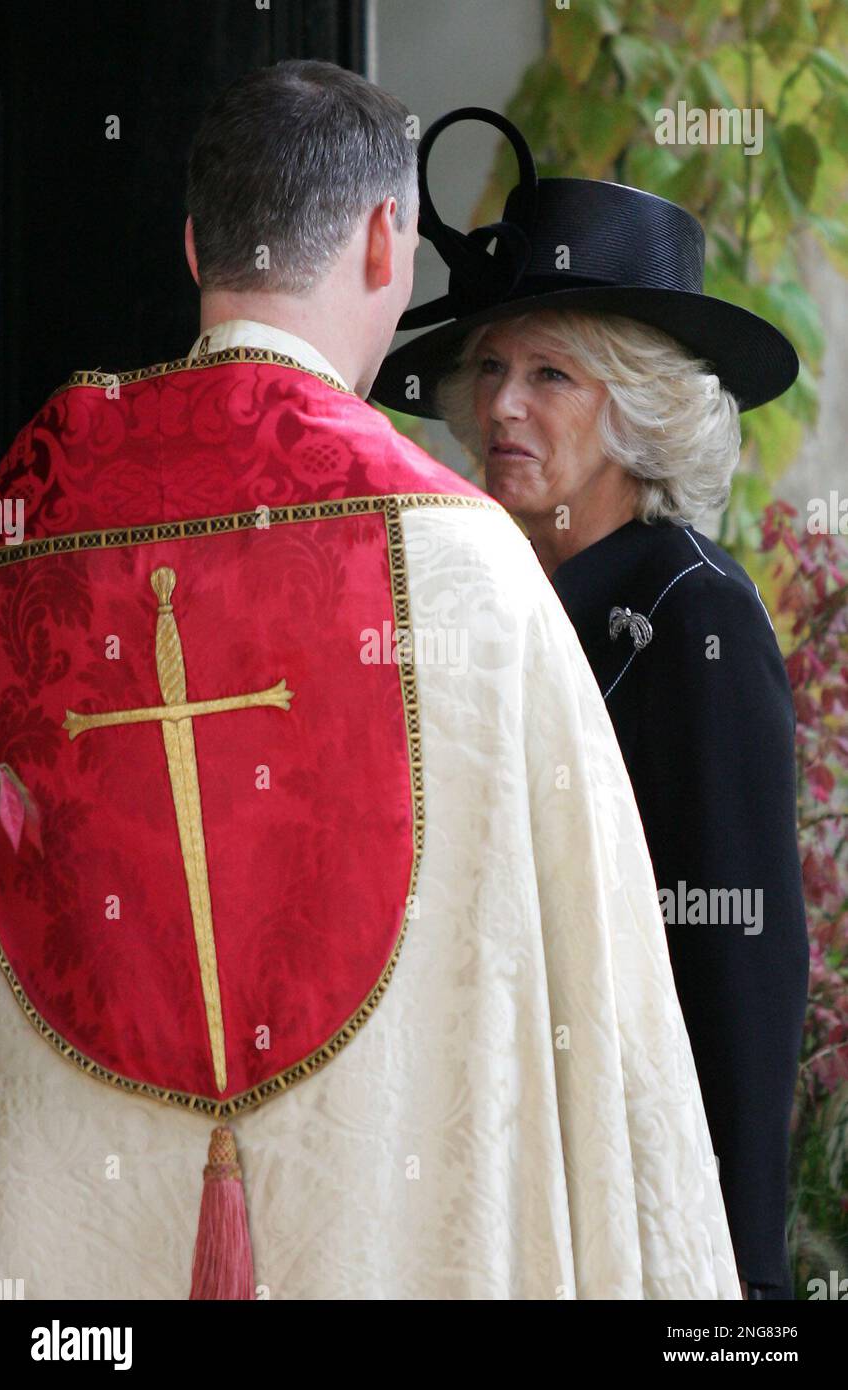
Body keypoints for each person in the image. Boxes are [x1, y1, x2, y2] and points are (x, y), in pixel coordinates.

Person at [0, 68, 742, 1301]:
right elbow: (610, 1038)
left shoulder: (12, 542)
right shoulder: (469, 565)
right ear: (391, 237)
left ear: (194, 246)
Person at [372, 108, 810, 1300]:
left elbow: (743, 973)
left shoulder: (696, 613)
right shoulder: (482, 591)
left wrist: (747, 1283)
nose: (505, 405)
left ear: (637, 410)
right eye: (494, 369)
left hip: (629, 1190)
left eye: (552, 374)